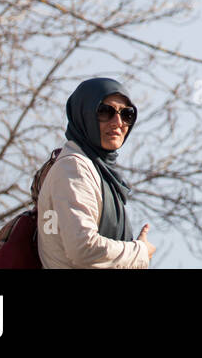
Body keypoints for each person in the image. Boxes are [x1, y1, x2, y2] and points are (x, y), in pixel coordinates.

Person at [37, 77, 155, 269]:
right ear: (84, 115)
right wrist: (139, 252)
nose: (118, 122)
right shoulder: (74, 168)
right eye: (105, 112)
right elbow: (83, 248)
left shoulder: (100, 172)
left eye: (127, 114)